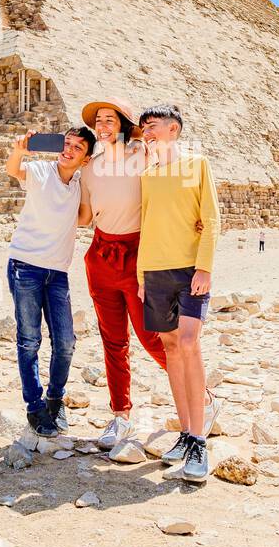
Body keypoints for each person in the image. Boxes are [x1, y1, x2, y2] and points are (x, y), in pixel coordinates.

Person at [76, 98, 169, 450]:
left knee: (152, 338)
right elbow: (84, 217)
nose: (102, 125)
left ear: (123, 123)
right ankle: (120, 416)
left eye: (109, 119)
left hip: (137, 257)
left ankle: (199, 401)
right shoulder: (90, 168)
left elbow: (171, 186)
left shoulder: (143, 157)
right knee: (113, 341)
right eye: (97, 120)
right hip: (101, 257)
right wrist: (51, 181)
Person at [137, 104, 221, 483]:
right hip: (155, 269)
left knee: (189, 343)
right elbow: (148, 224)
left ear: (174, 129)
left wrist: (204, 267)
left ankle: (200, 439)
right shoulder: (148, 175)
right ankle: (186, 433)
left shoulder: (197, 165)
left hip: (189, 269)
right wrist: (141, 275)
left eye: (152, 126)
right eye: (142, 129)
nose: (146, 133)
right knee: (170, 347)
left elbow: (212, 218)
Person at [4, 125, 95, 437]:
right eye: (66, 144)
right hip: (25, 266)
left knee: (66, 342)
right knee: (29, 340)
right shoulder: (41, 170)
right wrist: (20, 148)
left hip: (57, 272)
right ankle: (34, 407)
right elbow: (13, 169)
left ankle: (55, 399)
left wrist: (90, 187)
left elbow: (84, 219)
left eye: (77, 148)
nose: (67, 150)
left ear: (86, 159)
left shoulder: (80, 182)